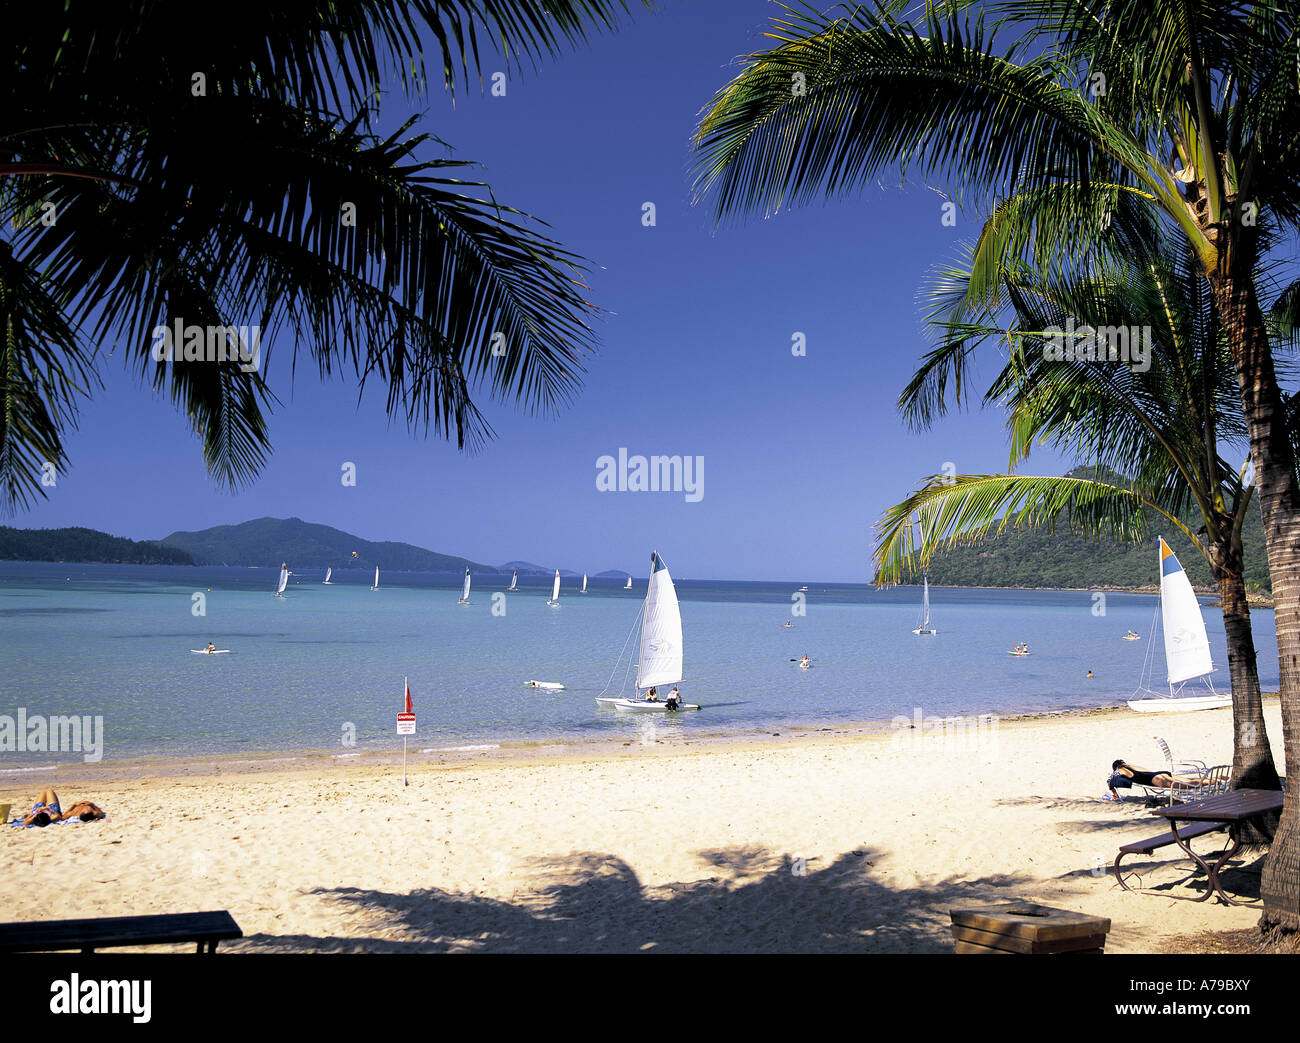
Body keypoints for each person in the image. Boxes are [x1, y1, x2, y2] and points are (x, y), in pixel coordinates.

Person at [1106, 759, 1203, 800]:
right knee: (1190, 781)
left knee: (1189, 785)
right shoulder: (1132, 766)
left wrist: (1114, 792)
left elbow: (1110, 781)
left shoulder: (1121, 770)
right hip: (1159, 774)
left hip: (1156, 779)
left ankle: (1213, 781)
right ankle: (1215, 779)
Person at [18, 789, 105, 827]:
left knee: (44, 792)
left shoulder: (34, 818)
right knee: (49, 791)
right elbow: (60, 816)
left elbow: (25, 822)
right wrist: (48, 809)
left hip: (38, 808)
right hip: (52, 808)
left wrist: (35, 813)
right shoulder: (53, 816)